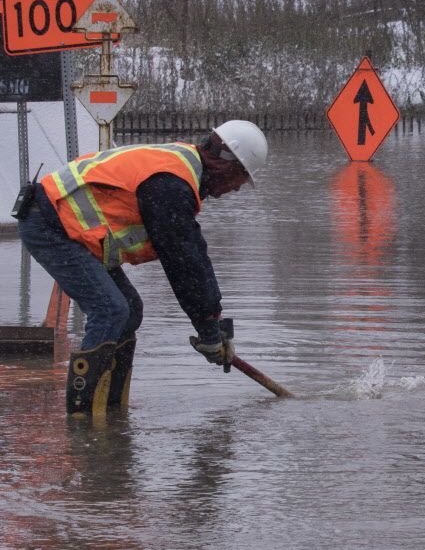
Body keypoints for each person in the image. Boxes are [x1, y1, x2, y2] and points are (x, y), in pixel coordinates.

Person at [16, 120, 268, 418]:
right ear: (227, 164)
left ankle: (110, 411)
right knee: (110, 310)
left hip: (68, 228)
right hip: (50, 223)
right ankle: (82, 417)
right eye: (240, 179)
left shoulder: (181, 171)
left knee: (130, 308)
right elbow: (182, 261)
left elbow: (194, 251)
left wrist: (214, 320)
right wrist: (205, 328)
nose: (237, 188)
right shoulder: (170, 184)